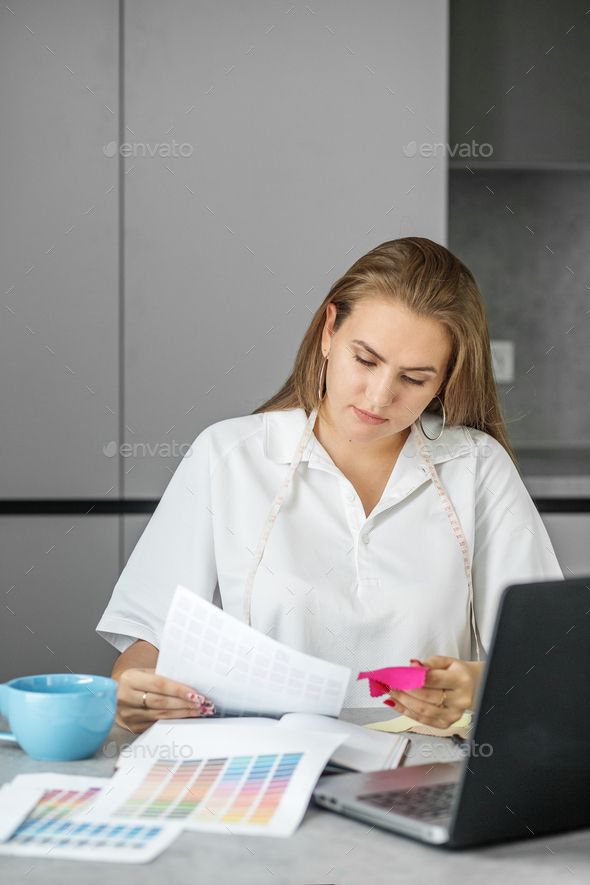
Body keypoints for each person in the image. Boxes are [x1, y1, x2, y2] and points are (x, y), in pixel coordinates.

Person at [96, 237, 563, 735]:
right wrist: (132, 686)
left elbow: (550, 655)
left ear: (445, 380)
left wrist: (476, 684)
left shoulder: (477, 467)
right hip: (266, 765)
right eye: (365, 360)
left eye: (415, 378)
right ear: (328, 332)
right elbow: (149, 636)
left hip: (429, 773)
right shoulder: (227, 456)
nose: (380, 396)